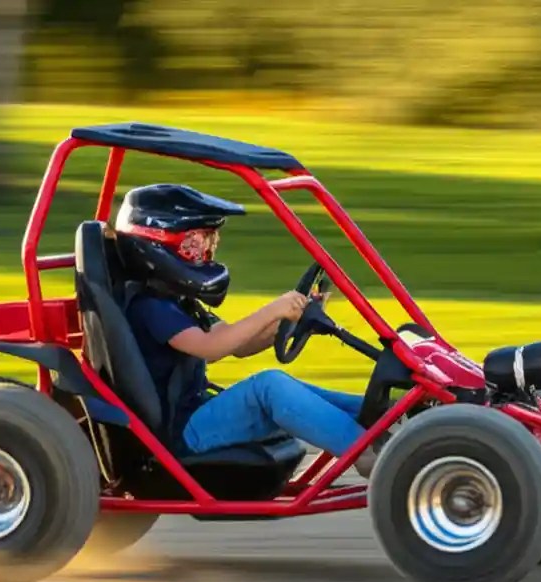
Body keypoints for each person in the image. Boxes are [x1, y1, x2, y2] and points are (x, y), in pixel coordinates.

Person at [116, 183, 378, 478]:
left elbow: (238, 345)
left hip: (195, 414)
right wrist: (274, 309)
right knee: (269, 387)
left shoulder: (177, 302)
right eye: (197, 241)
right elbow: (210, 347)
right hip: (180, 433)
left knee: (287, 387)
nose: (208, 249)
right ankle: (366, 452)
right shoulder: (150, 307)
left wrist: (291, 322)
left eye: (210, 239)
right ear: (159, 242)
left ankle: (383, 417)